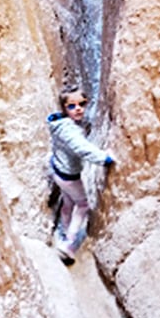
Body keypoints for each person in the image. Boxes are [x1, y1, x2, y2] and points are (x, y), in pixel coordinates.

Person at [47, 86, 115, 264]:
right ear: (64, 108)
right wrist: (104, 159)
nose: (78, 109)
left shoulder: (59, 124)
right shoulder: (69, 130)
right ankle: (68, 245)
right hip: (69, 176)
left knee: (68, 202)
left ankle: (63, 230)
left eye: (81, 104)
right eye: (72, 106)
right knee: (83, 204)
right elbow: (82, 148)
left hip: (57, 170)